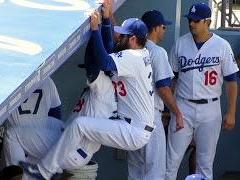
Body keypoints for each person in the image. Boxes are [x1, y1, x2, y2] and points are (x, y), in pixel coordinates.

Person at [19, 4, 154, 180]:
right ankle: (49, 170)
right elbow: (110, 49)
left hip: (134, 130)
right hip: (131, 125)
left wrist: (95, 29)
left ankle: (45, 172)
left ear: (134, 39)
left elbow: (104, 61)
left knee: (80, 124)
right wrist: (106, 19)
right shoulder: (138, 53)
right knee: (79, 125)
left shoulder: (134, 57)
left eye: (123, 35)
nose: (119, 37)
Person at [166, 3, 238, 180]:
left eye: (196, 20)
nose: (192, 23)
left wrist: (231, 112)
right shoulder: (180, 43)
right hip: (182, 106)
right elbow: (172, 79)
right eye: (190, 20)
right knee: (170, 161)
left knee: (205, 163)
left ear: (208, 21)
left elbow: (231, 82)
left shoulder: (222, 46)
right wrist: (167, 109)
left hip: (210, 108)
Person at [126, 10, 184, 180]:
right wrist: (177, 113)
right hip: (151, 117)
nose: (164, 30)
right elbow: (163, 89)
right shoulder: (158, 52)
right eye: (163, 27)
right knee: (155, 172)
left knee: (135, 171)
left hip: (131, 116)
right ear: (157, 28)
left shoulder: (131, 49)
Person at [1, 76, 64, 167]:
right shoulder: (47, 79)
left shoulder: (6, 82)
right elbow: (56, 113)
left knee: (14, 175)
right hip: (40, 142)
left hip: (15, 143)